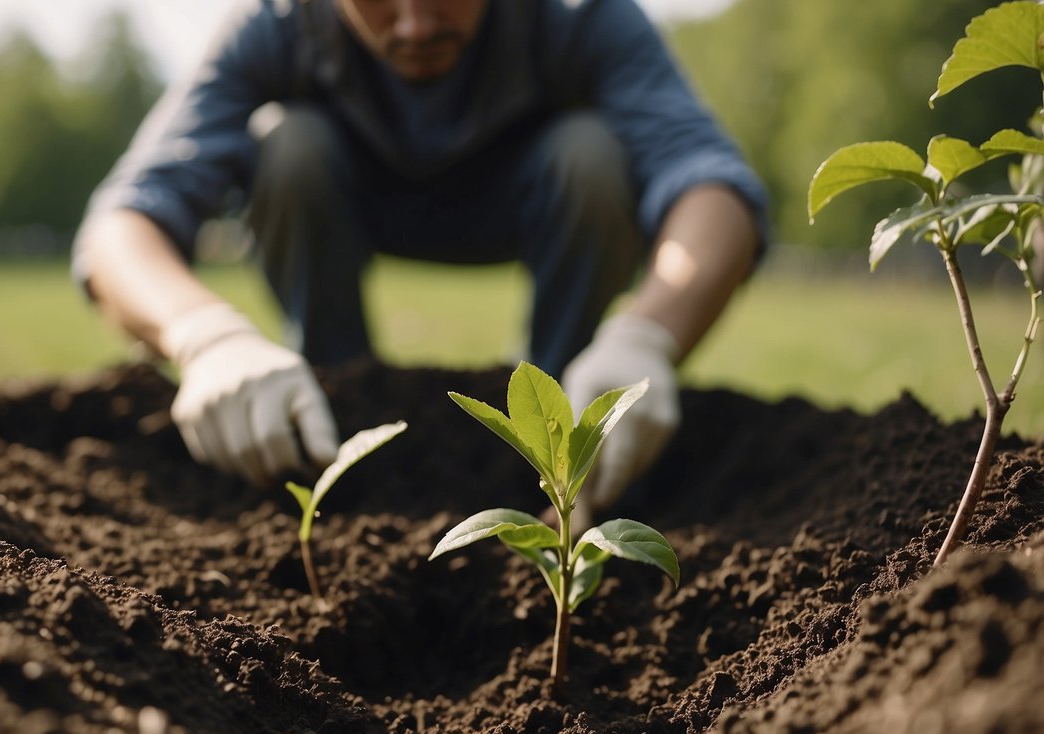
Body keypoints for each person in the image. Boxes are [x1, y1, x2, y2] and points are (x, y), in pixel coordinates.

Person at [72, 0, 768, 517]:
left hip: (534, 195)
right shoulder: (278, 22)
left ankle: (566, 456)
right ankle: (332, 436)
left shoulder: (578, 15)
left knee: (591, 154)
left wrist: (647, 334)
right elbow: (124, 221)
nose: (414, 26)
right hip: (342, 191)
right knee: (289, 144)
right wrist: (204, 334)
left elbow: (710, 183)